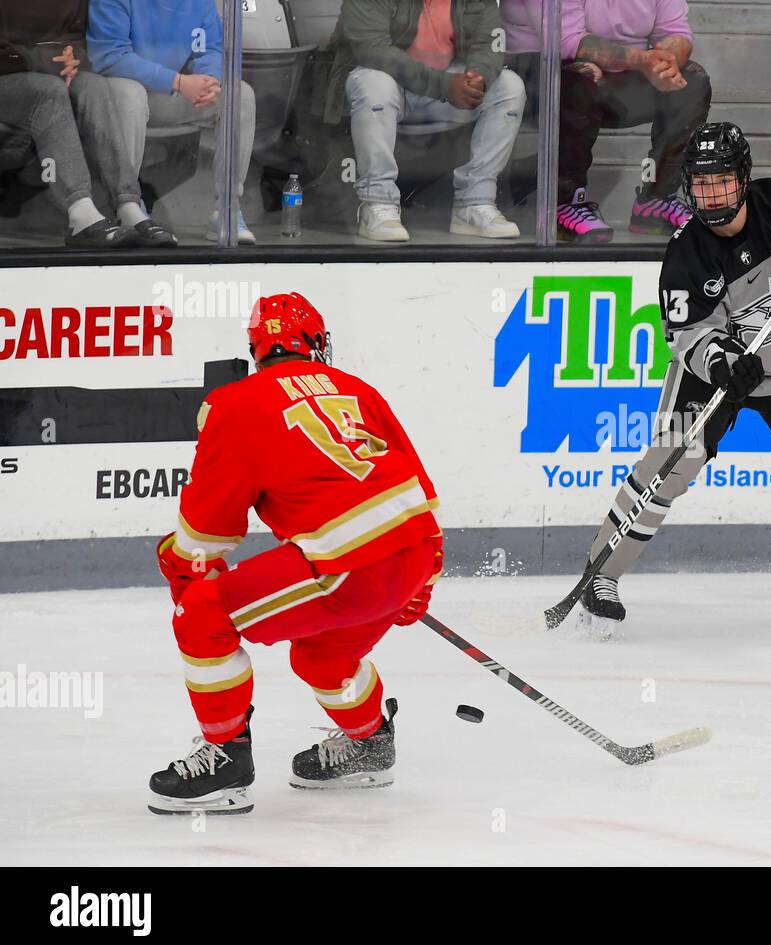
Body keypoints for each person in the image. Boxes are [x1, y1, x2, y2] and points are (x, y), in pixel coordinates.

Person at [573, 121, 771, 636]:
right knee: (669, 465)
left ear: (744, 178)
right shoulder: (685, 254)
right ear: (687, 189)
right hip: (717, 377)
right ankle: (600, 575)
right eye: (701, 184)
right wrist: (721, 359)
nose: (713, 194)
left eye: (723, 180)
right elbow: (685, 336)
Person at [148, 293, 443, 815]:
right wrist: (423, 579)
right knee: (323, 655)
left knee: (202, 612)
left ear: (257, 349)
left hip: (345, 564)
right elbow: (419, 490)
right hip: (412, 549)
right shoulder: (359, 390)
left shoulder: (235, 403)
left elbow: (205, 536)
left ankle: (226, 758)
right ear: (316, 343)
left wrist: (183, 568)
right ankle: (369, 742)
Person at [500, 0, 711, 242]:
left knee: (692, 81)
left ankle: (657, 200)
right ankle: (564, 202)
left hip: (620, 71)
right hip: (538, 69)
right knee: (581, 77)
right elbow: (567, 40)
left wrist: (665, 64)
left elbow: (676, 32)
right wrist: (642, 62)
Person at [326, 0, 526, 242]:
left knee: (509, 86)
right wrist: (443, 86)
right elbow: (373, 50)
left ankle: (474, 203)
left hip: (446, 88)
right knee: (374, 85)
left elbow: (489, 42)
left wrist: (477, 78)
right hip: (389, 88)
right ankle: (377, 203)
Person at [0, 0, 176, 247]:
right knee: (48, 92)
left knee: (94, 87)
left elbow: (78, 38)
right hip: (12, 76)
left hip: (46, 69)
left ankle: (128, 205)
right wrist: (41, 60)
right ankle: (80, 215)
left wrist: (74, 59)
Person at [87, 0, 258, 244]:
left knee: (240, 96)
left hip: (168, 94)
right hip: (119, 94)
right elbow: (110, 56)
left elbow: (210, 49)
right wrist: (177, 82)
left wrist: (208, 80)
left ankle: (227, 211)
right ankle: (128, 206)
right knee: (129, 93)